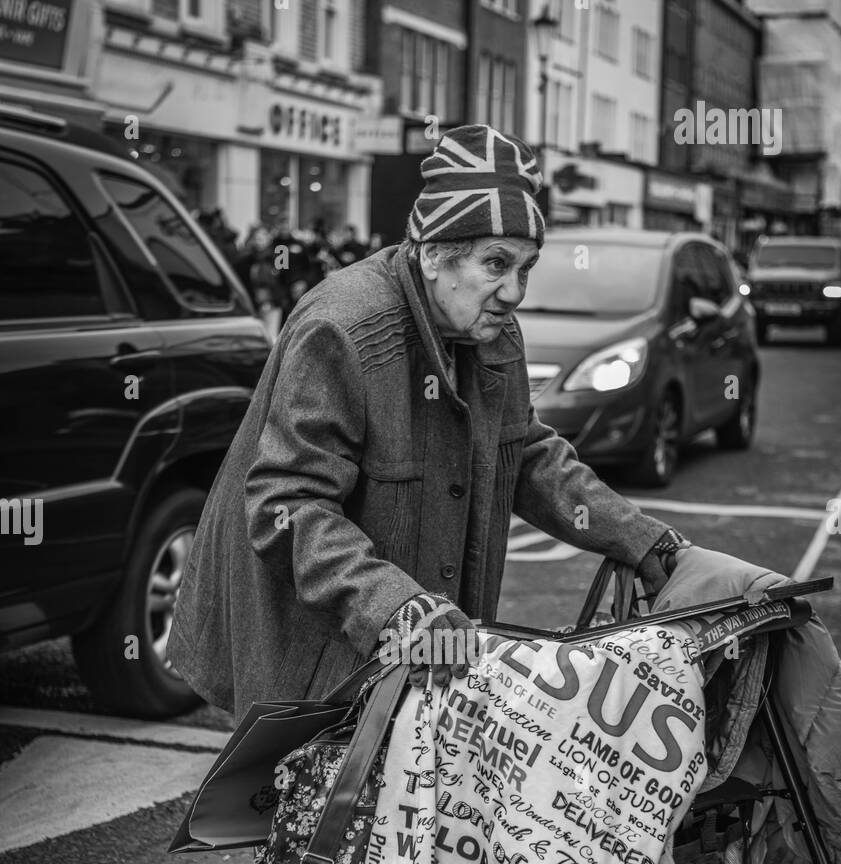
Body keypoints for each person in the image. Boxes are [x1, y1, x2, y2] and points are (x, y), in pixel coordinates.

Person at [167, 125, 690, 720]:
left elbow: (528, 456)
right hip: (313, 660)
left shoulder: (492, 330)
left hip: (424, 663)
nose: (515, 292)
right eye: (497, 264)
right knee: (294, 811)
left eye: (527, 267)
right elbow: (288, 504)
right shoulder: (342, 327)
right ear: (437, 252)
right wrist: (398, 608)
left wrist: (643, 539)